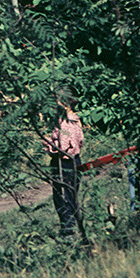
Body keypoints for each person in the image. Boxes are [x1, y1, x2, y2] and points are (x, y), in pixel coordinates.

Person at [43, 88, 84, 238]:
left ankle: (68, 230)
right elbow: (79, 141)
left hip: (63, 162)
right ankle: (74, 226)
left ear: (65, 104)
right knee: (71, 194)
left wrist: (47, 143)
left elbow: (62, 148)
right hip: (75, 160)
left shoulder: (63, 122)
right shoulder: (76, 119)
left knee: (62, 196)